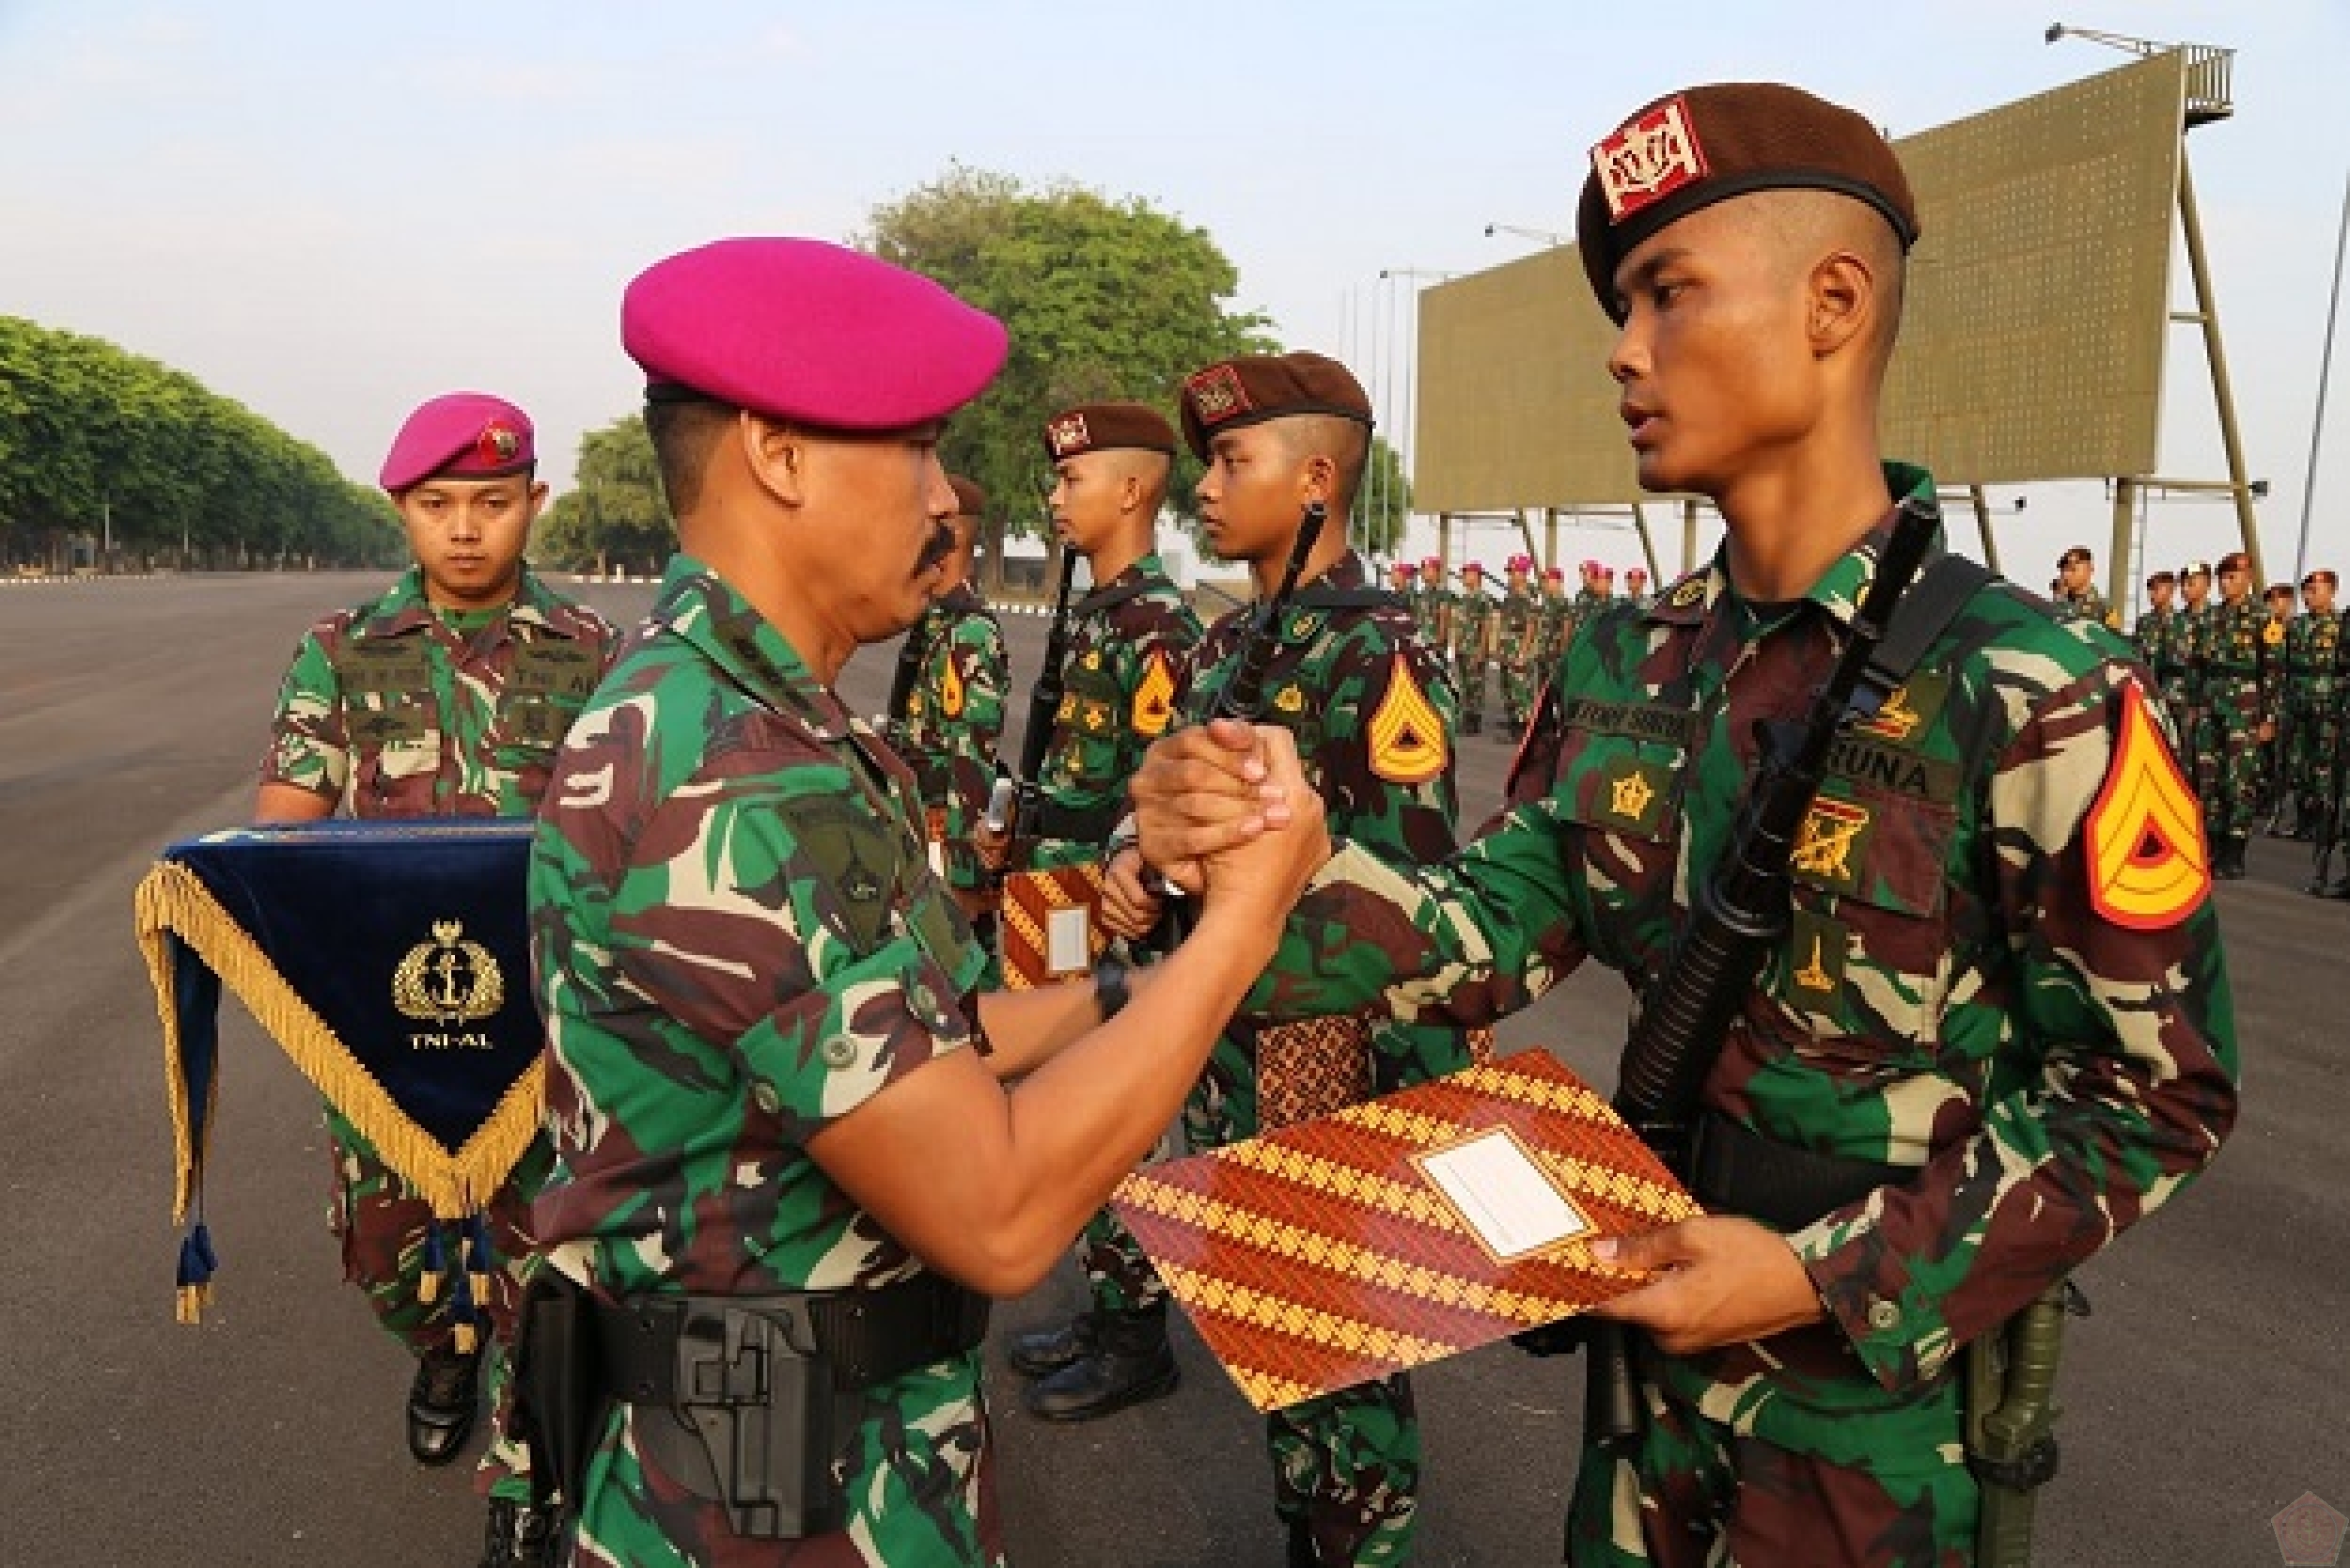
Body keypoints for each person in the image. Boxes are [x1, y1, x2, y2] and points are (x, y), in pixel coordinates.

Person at [1130, 83, 2239, 1566]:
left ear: (1832, 304)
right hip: (1638, 1361)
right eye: (1624, 303)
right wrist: (1263, 870)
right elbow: (1479, 933)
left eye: (1668, 294)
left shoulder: (2034, 688)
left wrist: (1814, 1276)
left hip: (1870, 1435)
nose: (1623, 348)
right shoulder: (1625, 662)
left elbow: (2150, 1093)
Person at [524, 237, 1325, 1568]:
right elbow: (998, 1213)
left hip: (789, 1437)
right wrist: (1244, 922)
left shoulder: (737, 714)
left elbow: (933, 1034)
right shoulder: (739, 780)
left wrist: (1117, 982)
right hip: (777, 1488)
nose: (948, 496)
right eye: (917, 450)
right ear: (780, 455)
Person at [1093, 350, 1473, 1566]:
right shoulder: (1226, 649)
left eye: (1231, 460)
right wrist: (1130, 859)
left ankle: (1354, 1541)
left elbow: (1419, 896)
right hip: (1228, 1042)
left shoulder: (1380, 654)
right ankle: (1303, 1523)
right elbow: (1164, 794)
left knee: (1342, 1347)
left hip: (1327, 1059)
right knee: (1270, 1332)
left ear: (1316, 480)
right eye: (1206, 461)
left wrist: (1406, 1114)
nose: (1206, 486)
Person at [255, 391, 622, 1564]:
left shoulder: (596, 657)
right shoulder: (341, 651)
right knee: (386, 1255)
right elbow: (287, 832)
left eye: (492, 503)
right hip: (394, 1022)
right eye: (438, 504)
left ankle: (525, 1478)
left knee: (543, 1253)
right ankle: (440, 1348)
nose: (466, 529)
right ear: (401, 510)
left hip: (543, 1031)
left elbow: (629, 838)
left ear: (535, 506)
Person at [982, 400, 1204, 1420]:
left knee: (1113, 1117)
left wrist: (1130, 887)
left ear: (1130, 491)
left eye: (1073, 481)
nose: (1055, 497)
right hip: (1055, 892)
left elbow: (1155, 787)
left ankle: (1134, 1335)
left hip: (1107, 908)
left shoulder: (1156, 626)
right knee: (1065, 1097)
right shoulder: (1100, 610)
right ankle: (1103, 1307)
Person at [884, 474, 1009, 955]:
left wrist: (964, 873)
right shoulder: (933, 622)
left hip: (946, 842)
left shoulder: (969, 632)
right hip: (920, 835)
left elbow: (970, 756)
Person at [2201, 550, 2278, 877]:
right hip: (2212, 703)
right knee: (2210, 778)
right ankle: (2214, 845)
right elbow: (2199, 664)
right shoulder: (2212, 616)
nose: (2225, 584)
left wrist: (2268, 717)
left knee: (2239, 780)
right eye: (2223, 577)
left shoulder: (2263, 617)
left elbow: (2272, 671)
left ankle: (2235, 852)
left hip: (2244, 708)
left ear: (2248, 580)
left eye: (2233, 577)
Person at [2283, 571, 2343, 847]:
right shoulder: (2296, 626)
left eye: (2315, 591)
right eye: (2306, 591)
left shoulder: (2341, 625)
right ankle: (2303, 820)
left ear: (2332, 592)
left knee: (2323, 765)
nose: (2309, 597)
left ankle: (2323, 823)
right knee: (2298, 763)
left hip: (2328, 705)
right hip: (2298, 703)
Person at [2134, 569, 2188, 739]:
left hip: (2177, 695)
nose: (2152, 594)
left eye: (2157, 589)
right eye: (2150, 589)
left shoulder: (2183, 621)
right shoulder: (2144, 622)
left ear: (2171, 590)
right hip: (2150, 692)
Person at [1497, 553, 1541, 739]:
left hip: (1519, 652)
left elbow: (1530, 629)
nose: (1510, 576)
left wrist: (1522, 654)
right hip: (1509, 651)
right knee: (1511, 691)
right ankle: (1515, 727)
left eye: (1514, 572)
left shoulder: (1526, 600)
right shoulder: (1511, 598)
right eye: (1510, 572)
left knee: (1522, 693)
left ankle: (1523, 732)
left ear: (1523, 574)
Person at [1451, 560, 1496, 734]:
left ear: (1477, 576)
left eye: (1467, 573)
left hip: (1474, 648)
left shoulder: (1482, 598)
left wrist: (1481, 650)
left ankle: (1474, 721)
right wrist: (1456, 645)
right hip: (1464, 647)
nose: (1463, 576)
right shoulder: (1465, 598)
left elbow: (1486, 626)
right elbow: (1461, 624)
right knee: (1465, 685)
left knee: (1475, 685)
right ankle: (1467, 717)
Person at [2053, 543, 2116, 628]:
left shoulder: (2105, 611)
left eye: (2073, 569)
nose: (2066, 574)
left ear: (2090, 569)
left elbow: (2112, 640)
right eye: (2063, 570)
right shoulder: (2059, 603)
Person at [1413, 555, 1455, 669]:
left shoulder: (1443, 593)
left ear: (1436, 572)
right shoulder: (1422, 594)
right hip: (1422, 643)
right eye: (1422, 569)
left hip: (1436, 646)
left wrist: (1437, 644)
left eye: (1426, 569)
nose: (1423, 572)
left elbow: (1444, 621)